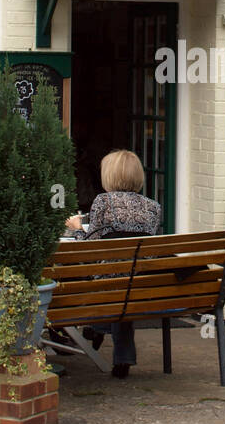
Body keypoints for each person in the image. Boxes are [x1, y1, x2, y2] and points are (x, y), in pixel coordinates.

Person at [65, 149, 161, 377]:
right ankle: (122, 358)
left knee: (100, 277)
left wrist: (77, 229)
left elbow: (90, 248)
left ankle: (95, 328)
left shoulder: (103, 202)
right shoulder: (153, 207)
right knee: (123, 283)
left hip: (106, 281)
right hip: (139, 282)